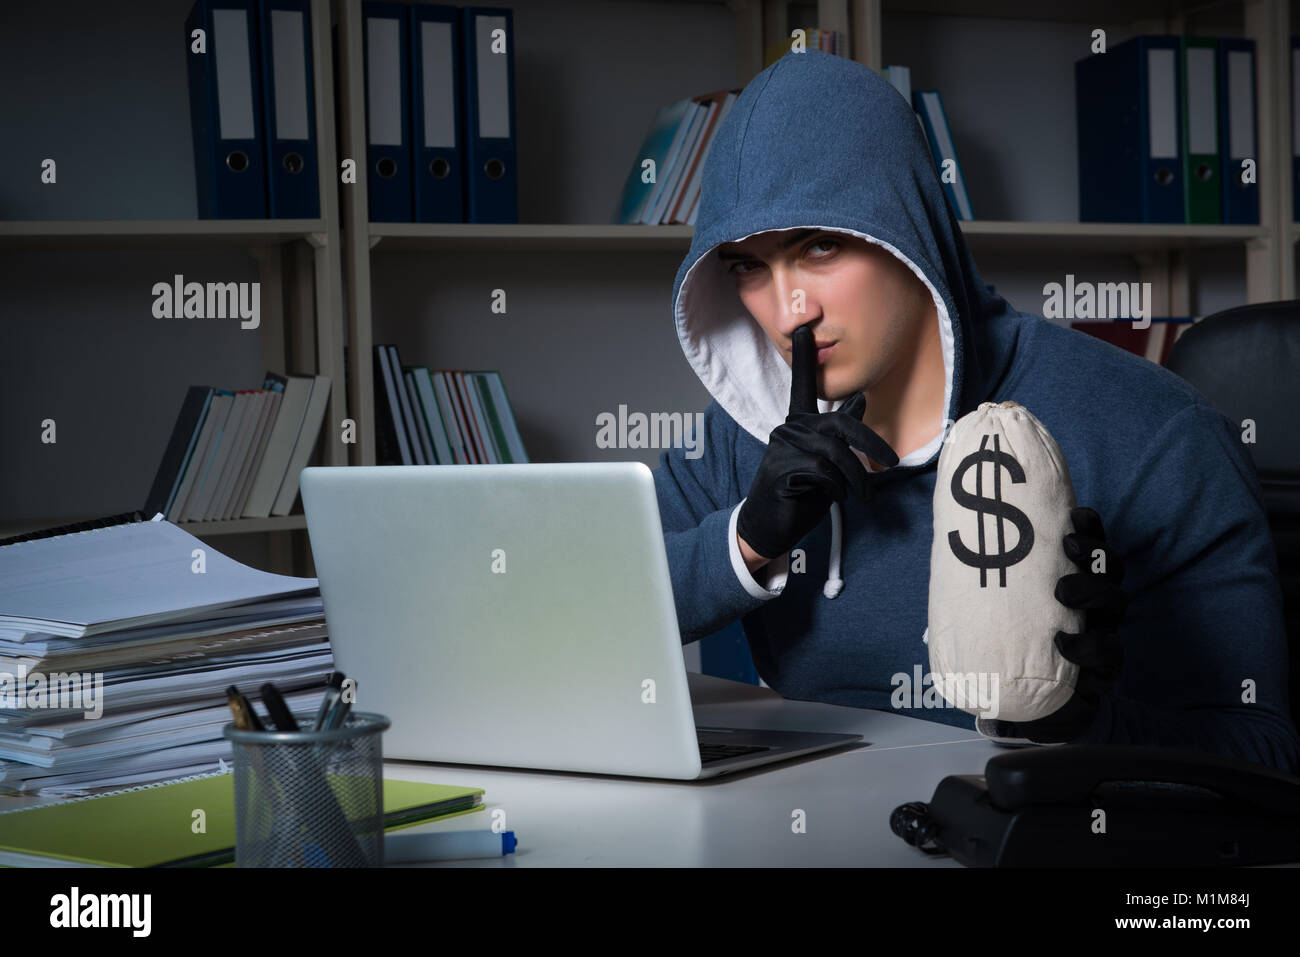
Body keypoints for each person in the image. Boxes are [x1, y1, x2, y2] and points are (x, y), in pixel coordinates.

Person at [653, 49, 1300, 773]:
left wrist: (1081, 722)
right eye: (747, 266)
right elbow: (573, 618)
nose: (789, 311)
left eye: (822, 246)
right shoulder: (748, 438)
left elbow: (1267, 757)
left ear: (906, 223)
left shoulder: (1153, 431)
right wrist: (746, 537)